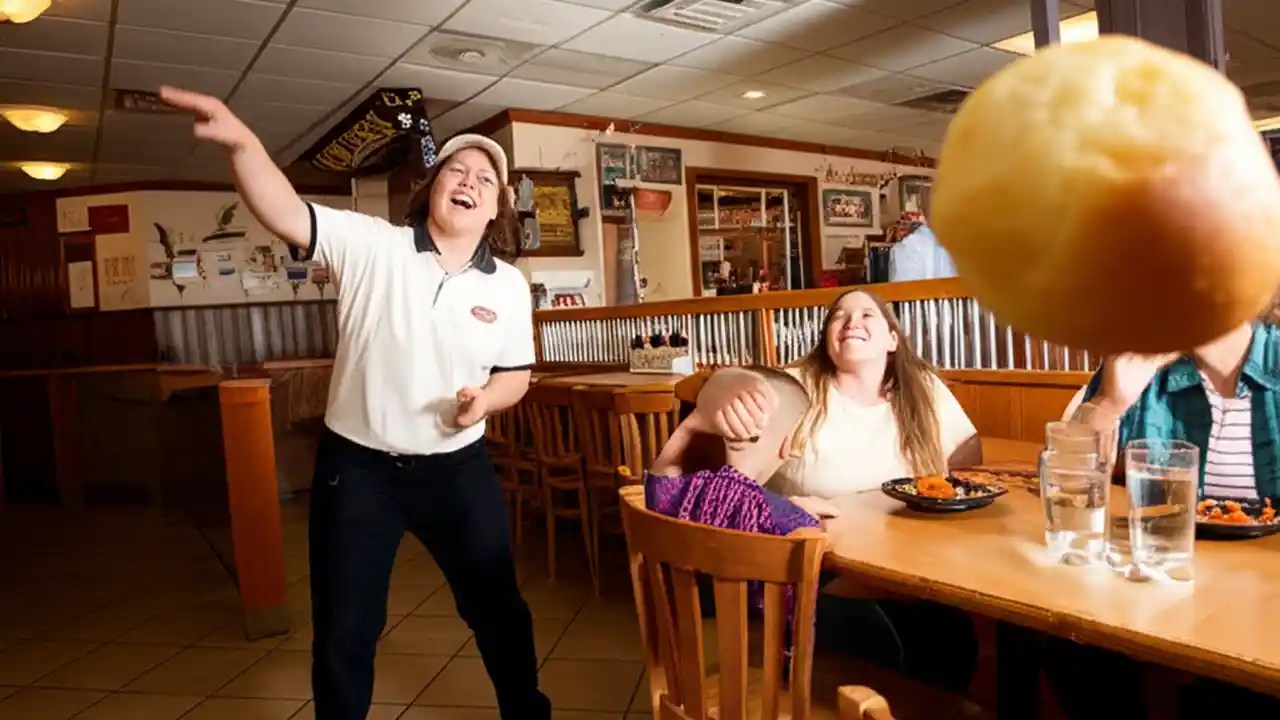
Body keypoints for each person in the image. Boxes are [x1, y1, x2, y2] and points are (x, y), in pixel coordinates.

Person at [158, 86, 551, 720]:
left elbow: (516, 373)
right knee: (346, 625)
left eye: (485, 178)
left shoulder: (507, 285)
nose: (469, 181)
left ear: (497, 206)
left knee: (498, 607)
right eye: (457, 169)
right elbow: (285, 211)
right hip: (359, 469)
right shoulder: (374, 246)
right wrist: (241, 141)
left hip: (456, 468)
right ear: (433, 186)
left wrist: (485, 403)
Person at [1044, 312, 1280, 718]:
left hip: (1267, 600)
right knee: (1072, 648)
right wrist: (1111, 401)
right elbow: (1069, 492)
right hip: (1163, 583)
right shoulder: (1141, 366)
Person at [769, 288, 984, 694]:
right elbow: (731, 395)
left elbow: (968, 448)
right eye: (839, 316)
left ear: (892, 339)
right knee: (881, 645)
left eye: (868, 314)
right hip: (819, 572)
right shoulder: (795, 387)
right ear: (826, 338)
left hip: (910, 568)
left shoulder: (921, 387)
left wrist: (944, 491)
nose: (851, 321)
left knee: (953, 638)